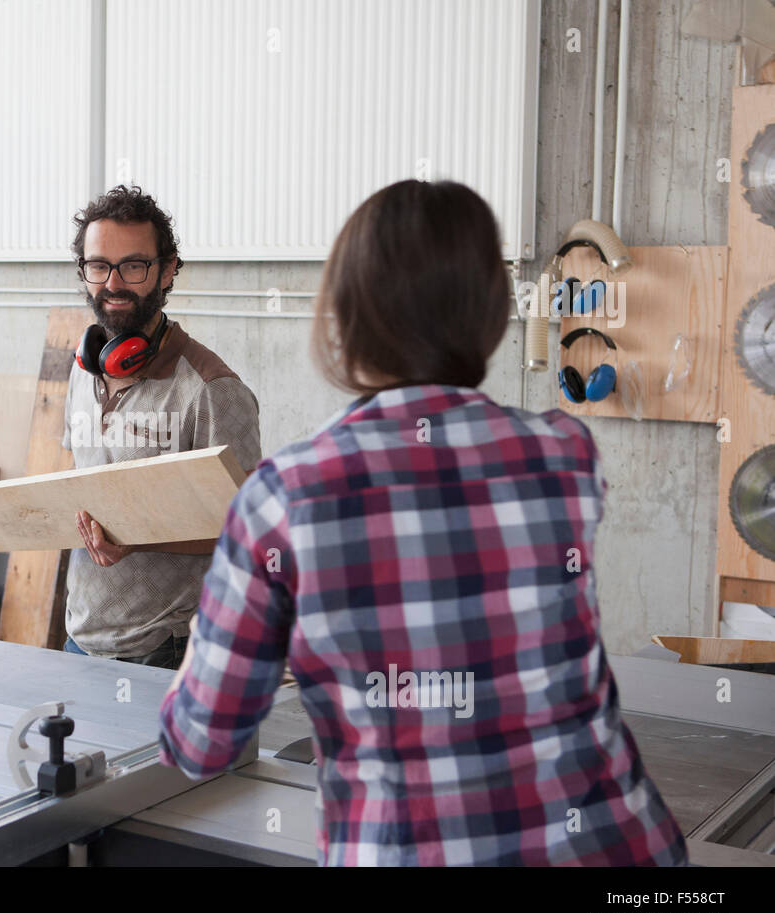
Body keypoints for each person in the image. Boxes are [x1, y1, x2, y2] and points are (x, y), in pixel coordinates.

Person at [157, 179, 687, 866]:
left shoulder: (284, 498)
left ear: (346, 313)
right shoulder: (564, 454)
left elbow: (203, 742)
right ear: (490, 316)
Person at [0, 185, 261, 667]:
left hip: (169, 649)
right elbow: (81, 495)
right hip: (81, 634)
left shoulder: (213, 389)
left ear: (169, 268)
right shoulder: (83, 369)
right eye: (98, 266)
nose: (113, 283)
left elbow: (250, 532)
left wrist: (138, 535)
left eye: (133, 265)